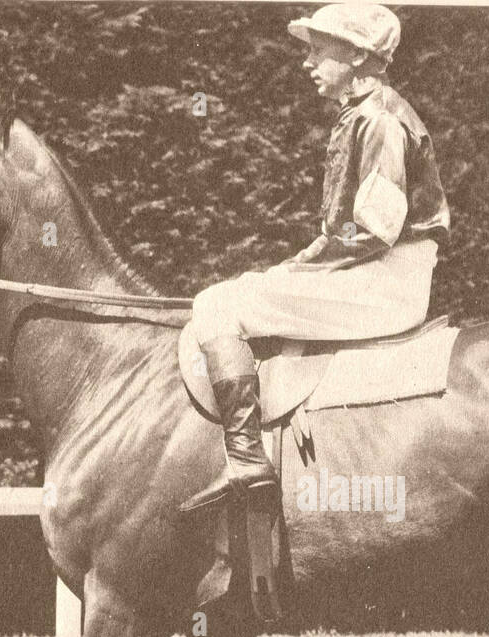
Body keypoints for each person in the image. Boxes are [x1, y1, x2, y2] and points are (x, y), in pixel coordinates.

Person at [181, 3, 451, 515]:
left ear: (355, 55)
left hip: (387, 281)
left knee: (218, 304)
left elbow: (372, 231)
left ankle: (245, 459)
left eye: (319, 50)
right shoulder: (364, 113)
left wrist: (298, 267)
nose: (308, 62)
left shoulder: (380, 119)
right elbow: (343, 232)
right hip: (377, 271)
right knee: (243, 290)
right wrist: (296, 265)